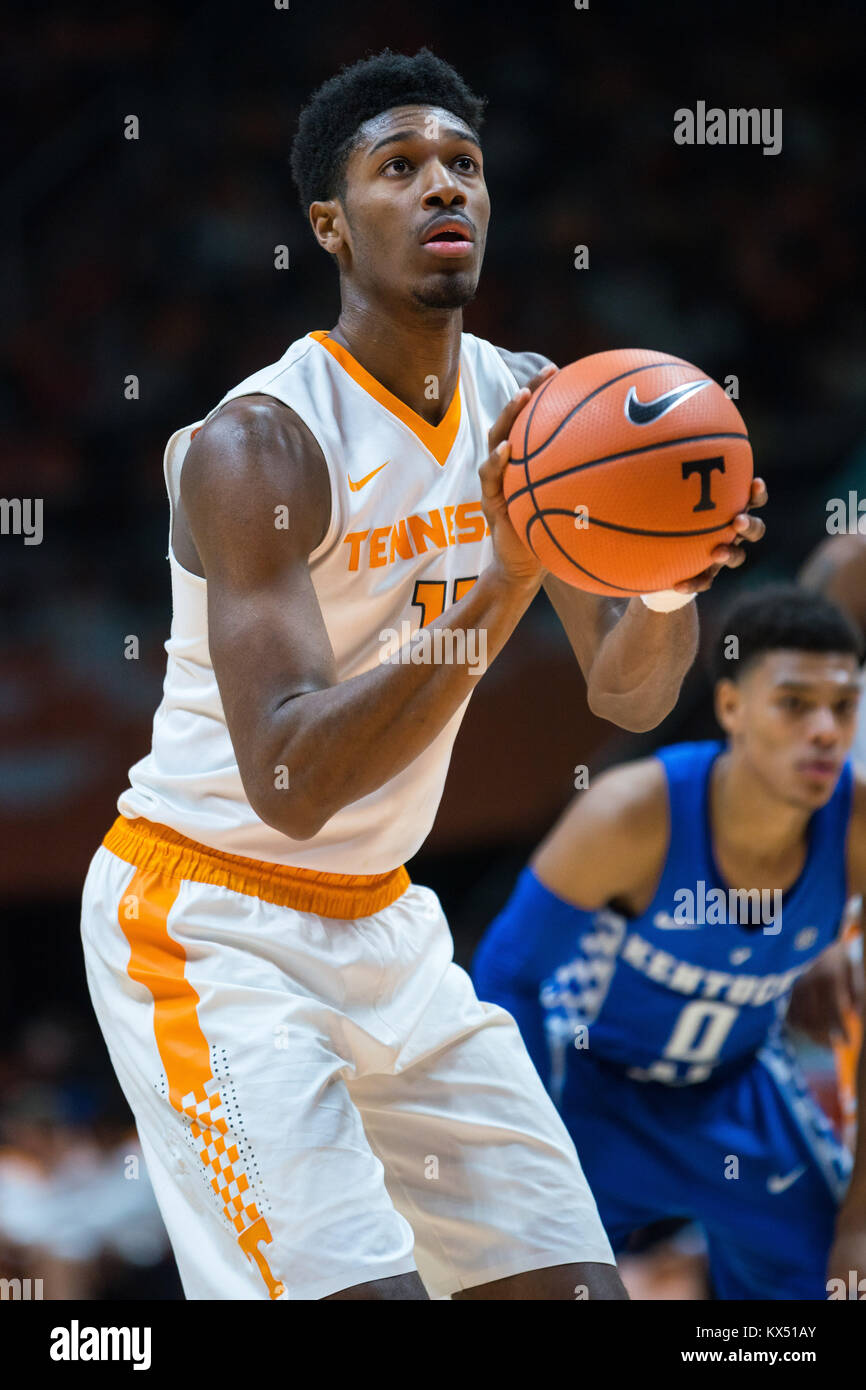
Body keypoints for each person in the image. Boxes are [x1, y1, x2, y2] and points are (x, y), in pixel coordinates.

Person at [80, 47, 764, 1301]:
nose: (443, 186)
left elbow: (624, 689)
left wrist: (672, 573)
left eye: (463, 165)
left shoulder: (539, 407)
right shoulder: (263, 443)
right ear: (330, 225)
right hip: (210, 921)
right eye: (399, 167)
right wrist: (502, 575)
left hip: (387, 921)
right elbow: (289, 779)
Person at [473, 585, 866, 1298]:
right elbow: (506, 979)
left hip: (736, 1088)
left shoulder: (857, 828)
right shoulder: (631, 813)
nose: (825, 731)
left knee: (844, 1283)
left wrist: (860, 1223)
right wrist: (519, 1159)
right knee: (506, 1278)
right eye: (794, 703)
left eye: (843, 707)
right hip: (591, 1090)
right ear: (731, 708)